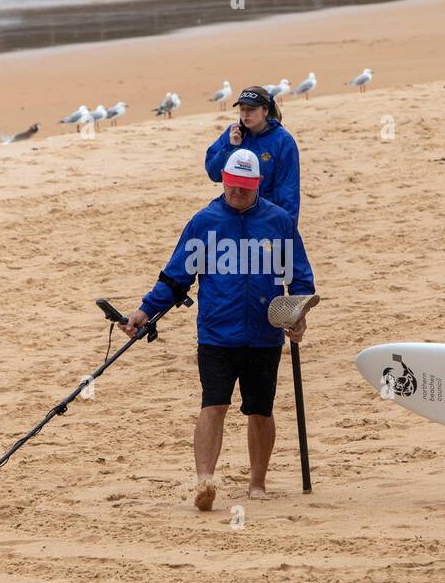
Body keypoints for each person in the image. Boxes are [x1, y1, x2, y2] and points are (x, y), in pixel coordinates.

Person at [122, 148, 315, 511]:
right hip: (216, 333)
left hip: (264, 333)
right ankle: (204, 481)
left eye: (245, 187)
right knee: (214, 404)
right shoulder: (204, 222)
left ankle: (257, 483)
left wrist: (298, 314)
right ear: (223, 180)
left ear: (257, 183)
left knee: (261, 409)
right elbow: (176, 278)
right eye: (232, 186)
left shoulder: (279, 222)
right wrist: (144, 310)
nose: (237, 193)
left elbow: (300, 278)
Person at [204, 85, 301, 224]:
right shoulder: (233, 133)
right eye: (242, 109)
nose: (245, 114)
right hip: (233, 213)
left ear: (265, 110)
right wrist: (230, 147)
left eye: (251, 109)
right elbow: (214, 173)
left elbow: (288, 190)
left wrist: (286, 227)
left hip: (265, 215)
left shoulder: (283, 141)